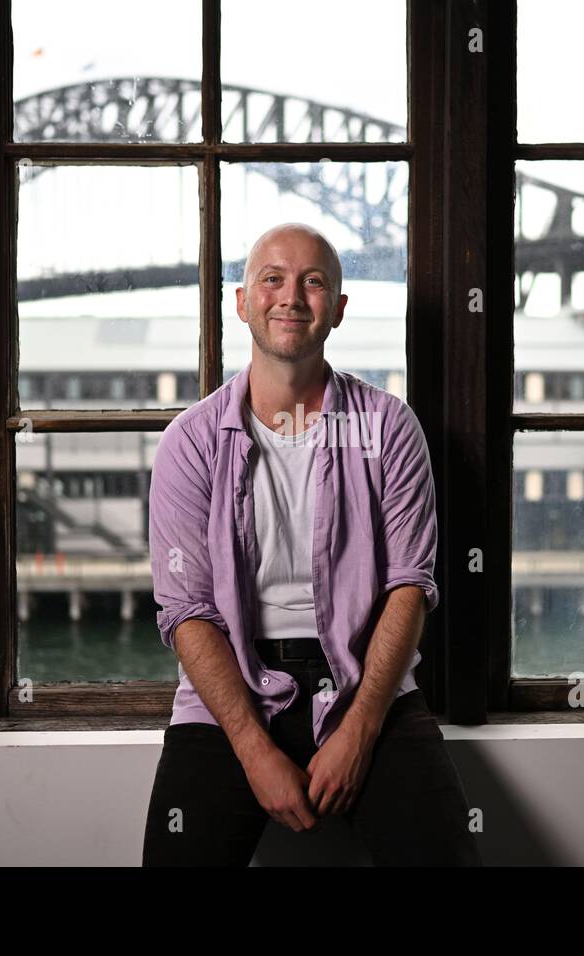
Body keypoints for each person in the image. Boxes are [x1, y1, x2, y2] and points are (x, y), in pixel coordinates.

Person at [141, 222, 481, 866]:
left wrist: (360, 730)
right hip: (228, 697)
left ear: (339, 310)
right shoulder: (190, 441)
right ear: (241, 303)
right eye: (271, 278)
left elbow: (410, 586)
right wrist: (251, 747)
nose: (290, 297)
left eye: (313, 282)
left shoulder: (387, 426)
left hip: (366, 686)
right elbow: (186, 612)